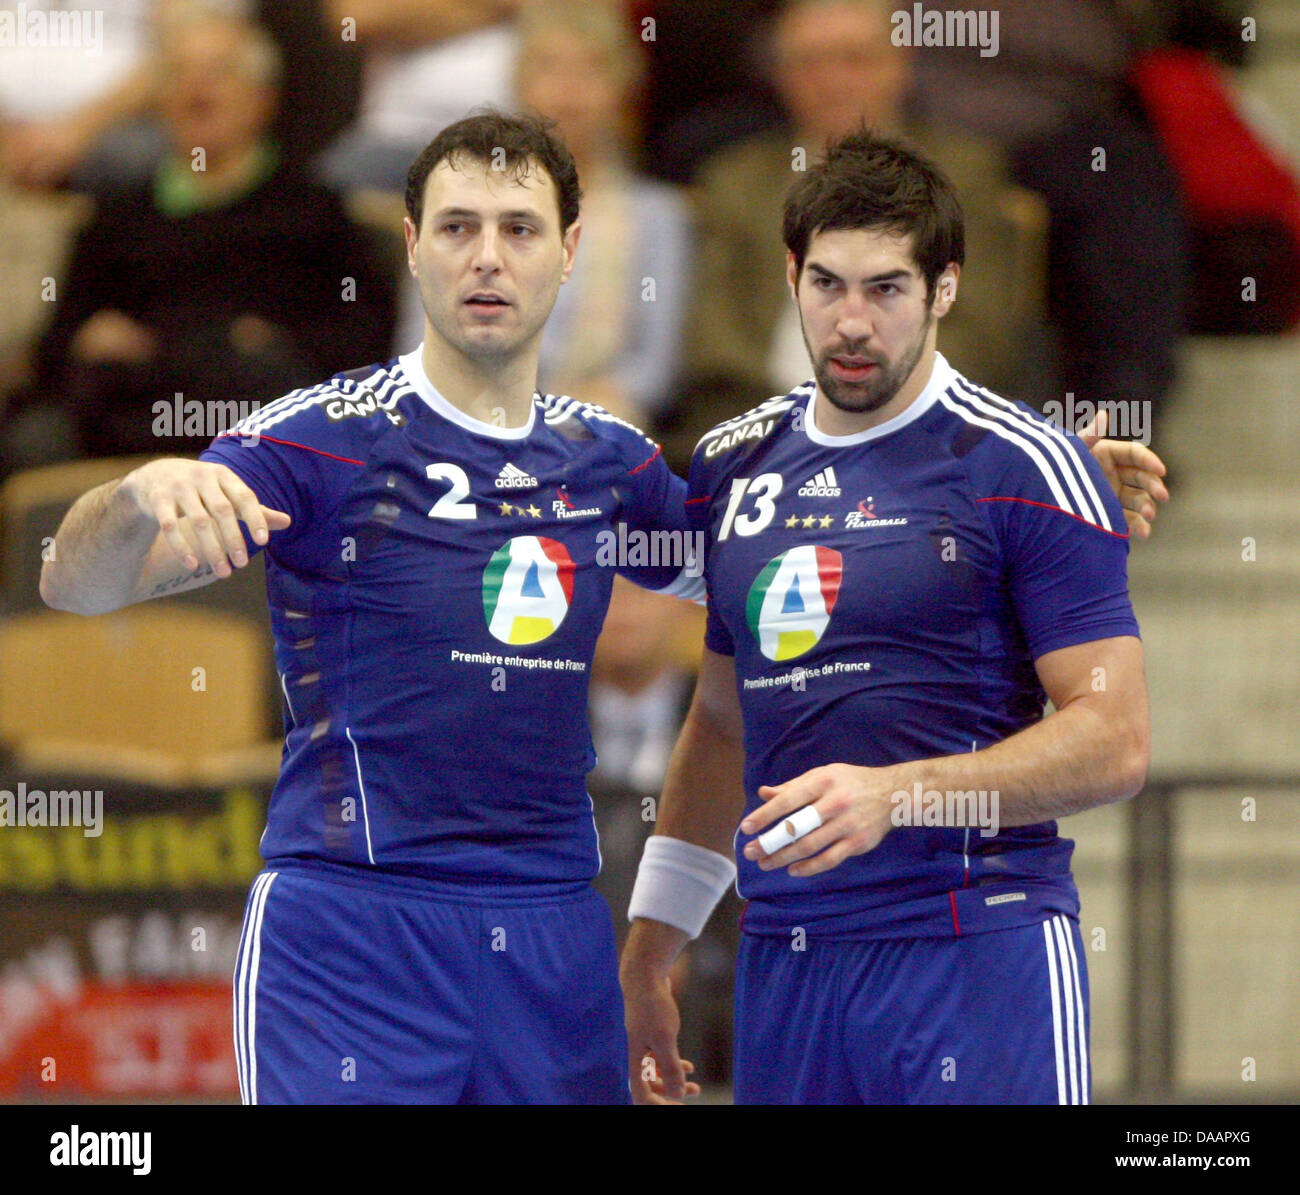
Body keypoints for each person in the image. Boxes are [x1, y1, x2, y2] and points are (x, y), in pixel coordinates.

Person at [40, 112, 1164, 1105]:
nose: (488, 258)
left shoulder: (615, 466)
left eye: (520, 229)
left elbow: (802, 547)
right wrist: (133, 498)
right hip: (354, 928)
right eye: (458, 226)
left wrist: (1045, 479)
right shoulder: (318, 439)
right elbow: (72, 582)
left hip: (554, 937)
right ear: (411, 244)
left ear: (571, 252)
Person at [620, 129, 1164, 1105]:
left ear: (944, 288)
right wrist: (653, 941)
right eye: (826, 285)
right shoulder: (734, 461)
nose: (852, 322)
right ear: (790, 275)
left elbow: (1115, 742)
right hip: (788, 963)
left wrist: (896, 793)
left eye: (886, 288)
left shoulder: (1024, 466)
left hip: (972, 949)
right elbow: (721, 719)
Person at [5, 8, 394, 473]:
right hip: (127, 422)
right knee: (35, 438)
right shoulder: (118, 215)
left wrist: (263, 343)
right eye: (178, 74)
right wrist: (90, 339)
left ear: (261, 98)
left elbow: (361, 342)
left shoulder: (312, 211)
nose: (197, 88)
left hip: (258, 420)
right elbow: (55, 343)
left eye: (218, 72)